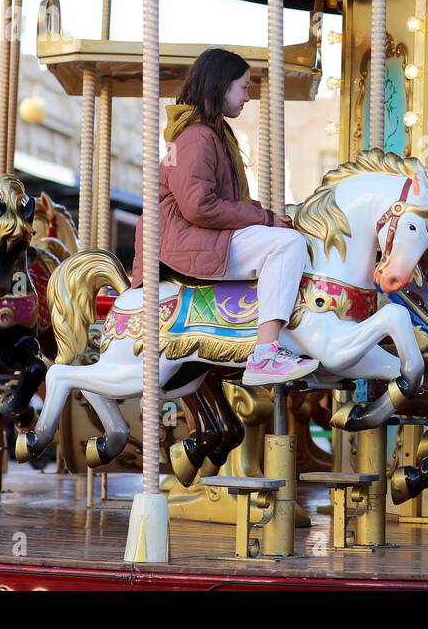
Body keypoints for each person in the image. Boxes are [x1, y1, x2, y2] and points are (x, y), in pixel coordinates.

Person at [131, 48, 314, 386]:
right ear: (221, 86)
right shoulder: (197, 137)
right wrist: (265, 218)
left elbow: (221, 201)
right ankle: (266, 353)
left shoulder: (204, 133)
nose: (247, 97)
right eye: (243, 87)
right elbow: (199, 206)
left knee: (284, 234)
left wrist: (270, 215)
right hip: (188, 239)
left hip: (192, 236)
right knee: (287, 245)